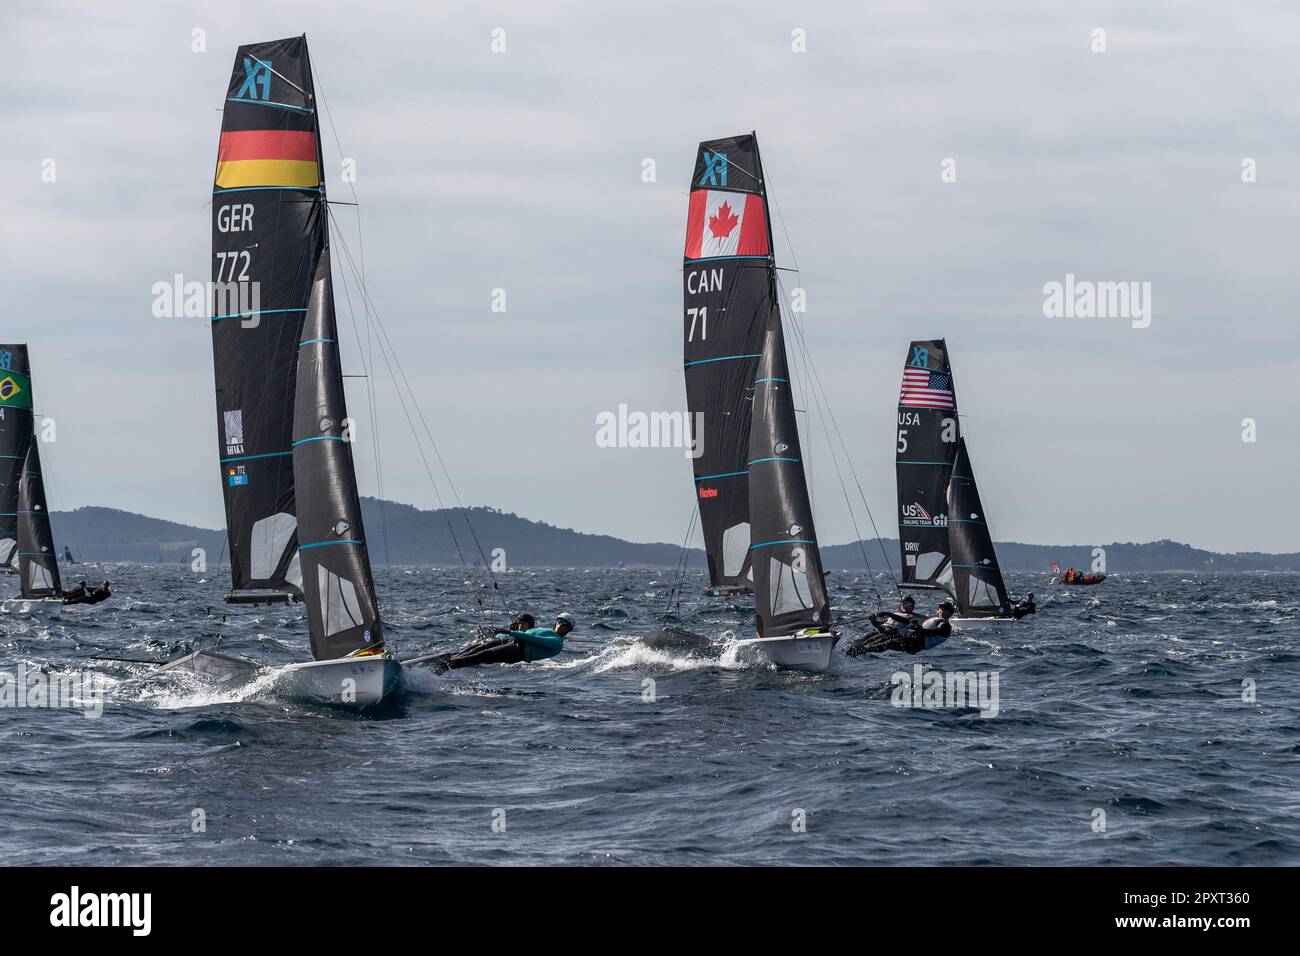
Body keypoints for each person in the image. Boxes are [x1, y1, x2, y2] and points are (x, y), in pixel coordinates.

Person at [430, 612, 575, 672]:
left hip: (518, 651)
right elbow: (526, 633)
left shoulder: (557, 643)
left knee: (483, 655)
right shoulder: (547, 629)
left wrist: (510, 632)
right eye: (559, 621)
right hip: (512, 640)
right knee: (477, 647)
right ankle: (450, 659)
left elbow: (533, 639)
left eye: (565, 624)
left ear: (569, 629)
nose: (561, 625)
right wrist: (500, 635)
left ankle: (443, 668)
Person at [846, 601, 953, 656]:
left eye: (946, 610)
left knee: (888, 643)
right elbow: (906, 621)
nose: (942, 611)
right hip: (911, 638)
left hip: (917, 644)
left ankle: (859, 651)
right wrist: (889, 614)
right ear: (938, 610)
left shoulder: (945, 625)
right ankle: (855, 650)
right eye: (941, 609)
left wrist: (917, 628)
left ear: (950, 613)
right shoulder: (932, 620)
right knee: (885, 639)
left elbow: (933, 633)